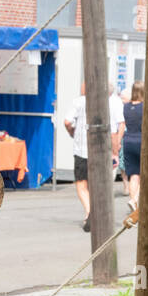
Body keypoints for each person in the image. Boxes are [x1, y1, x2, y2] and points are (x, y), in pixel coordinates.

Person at [63, 85, 93, 232]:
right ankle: (95, 211)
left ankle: (88, 212)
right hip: (99, 151)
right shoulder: (107, 102)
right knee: (95, 185)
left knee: (82, 184)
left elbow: (67, 121)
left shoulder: (79, 102)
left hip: (81, 149)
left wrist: (72, 133)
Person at [120, 81, 145, 209]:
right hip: (142, 141)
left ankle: (133, 201)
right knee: (146, 173)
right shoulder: (145, 107)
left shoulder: (126, 107)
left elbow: (123, 124)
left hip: (128, 140)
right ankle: (136, 198)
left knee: (133, 174)